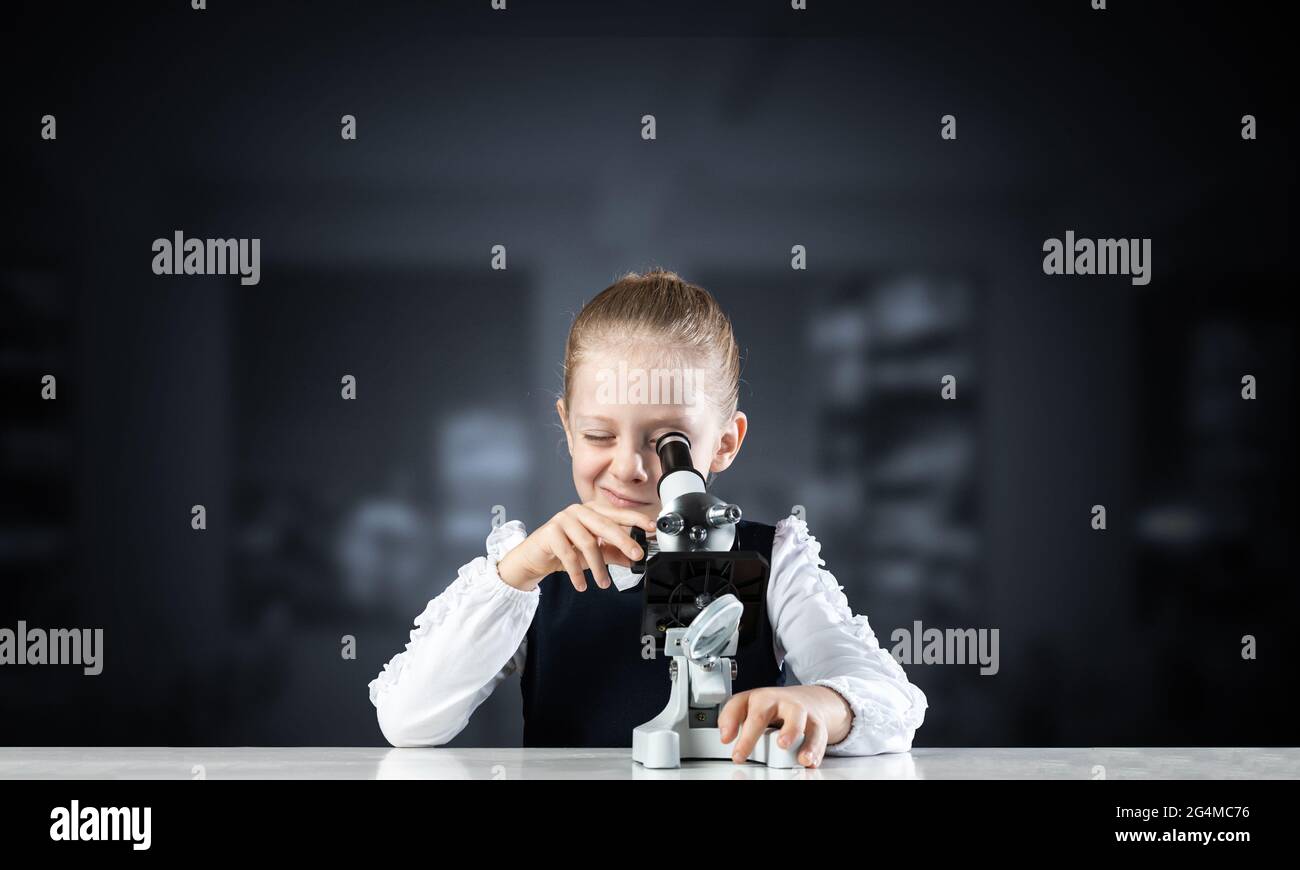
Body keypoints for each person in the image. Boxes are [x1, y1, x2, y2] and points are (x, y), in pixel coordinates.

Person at [368, 269, 927, 766]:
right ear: (566, 429)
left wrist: (820, 704)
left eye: (668, 442)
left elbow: (890, 703)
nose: (631, 466)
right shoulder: (532, 572)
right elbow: (409, 721)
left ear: (725, 444)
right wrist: (515, 575)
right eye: (598, 435)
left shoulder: (771, 560)